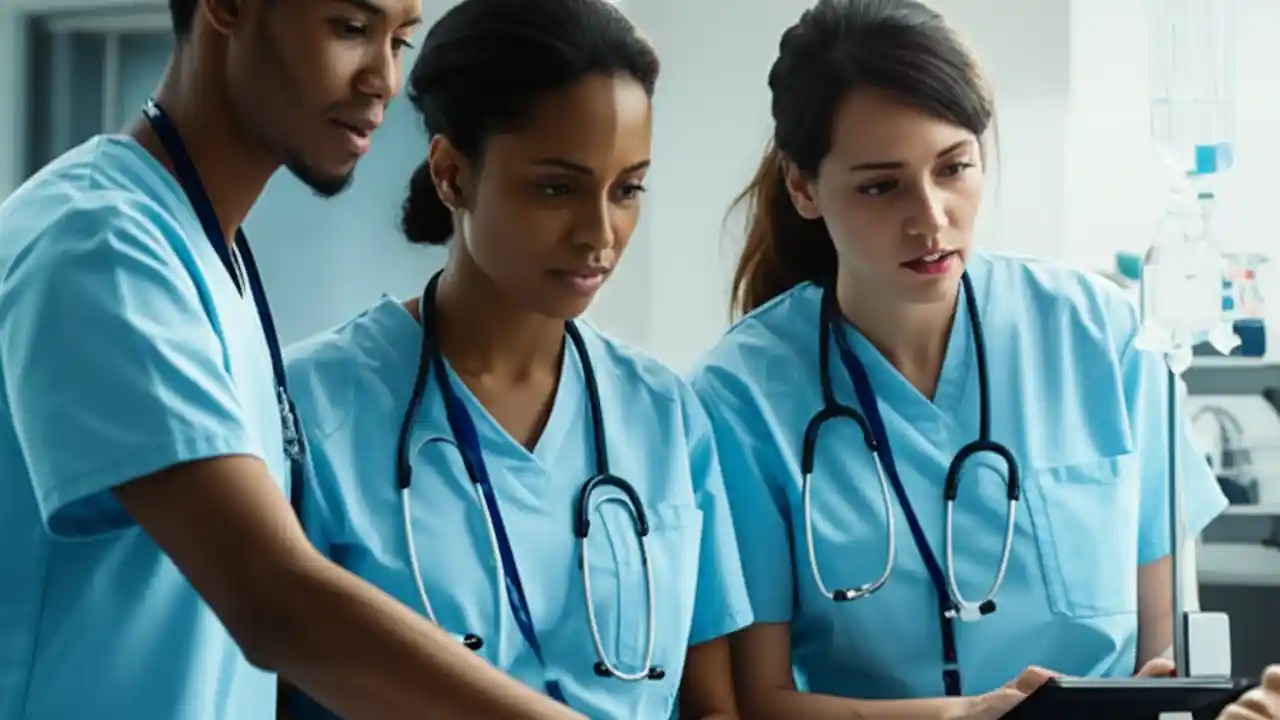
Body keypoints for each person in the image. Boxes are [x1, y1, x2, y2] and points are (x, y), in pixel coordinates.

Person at [0, 1, 584, 718]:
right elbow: (272, 597)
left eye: (399, 40)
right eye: (350, 28)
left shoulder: (213, 254)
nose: (384, 79)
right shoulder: (101, 244)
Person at [688, 0, 1228, 718]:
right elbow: (759, 702)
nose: (931, 217)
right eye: (881, 186)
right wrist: (960, 718)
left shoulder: (1099, 334)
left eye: (954, 168)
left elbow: (1164, 647)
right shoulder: (742, 395)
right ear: (803, 186)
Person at [280, 1, 752, 718]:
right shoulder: (312, 408)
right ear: (451, 174)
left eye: (627, 190)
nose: (600, 234)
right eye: (556, 188)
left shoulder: (664, 415)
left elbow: (712, 706)